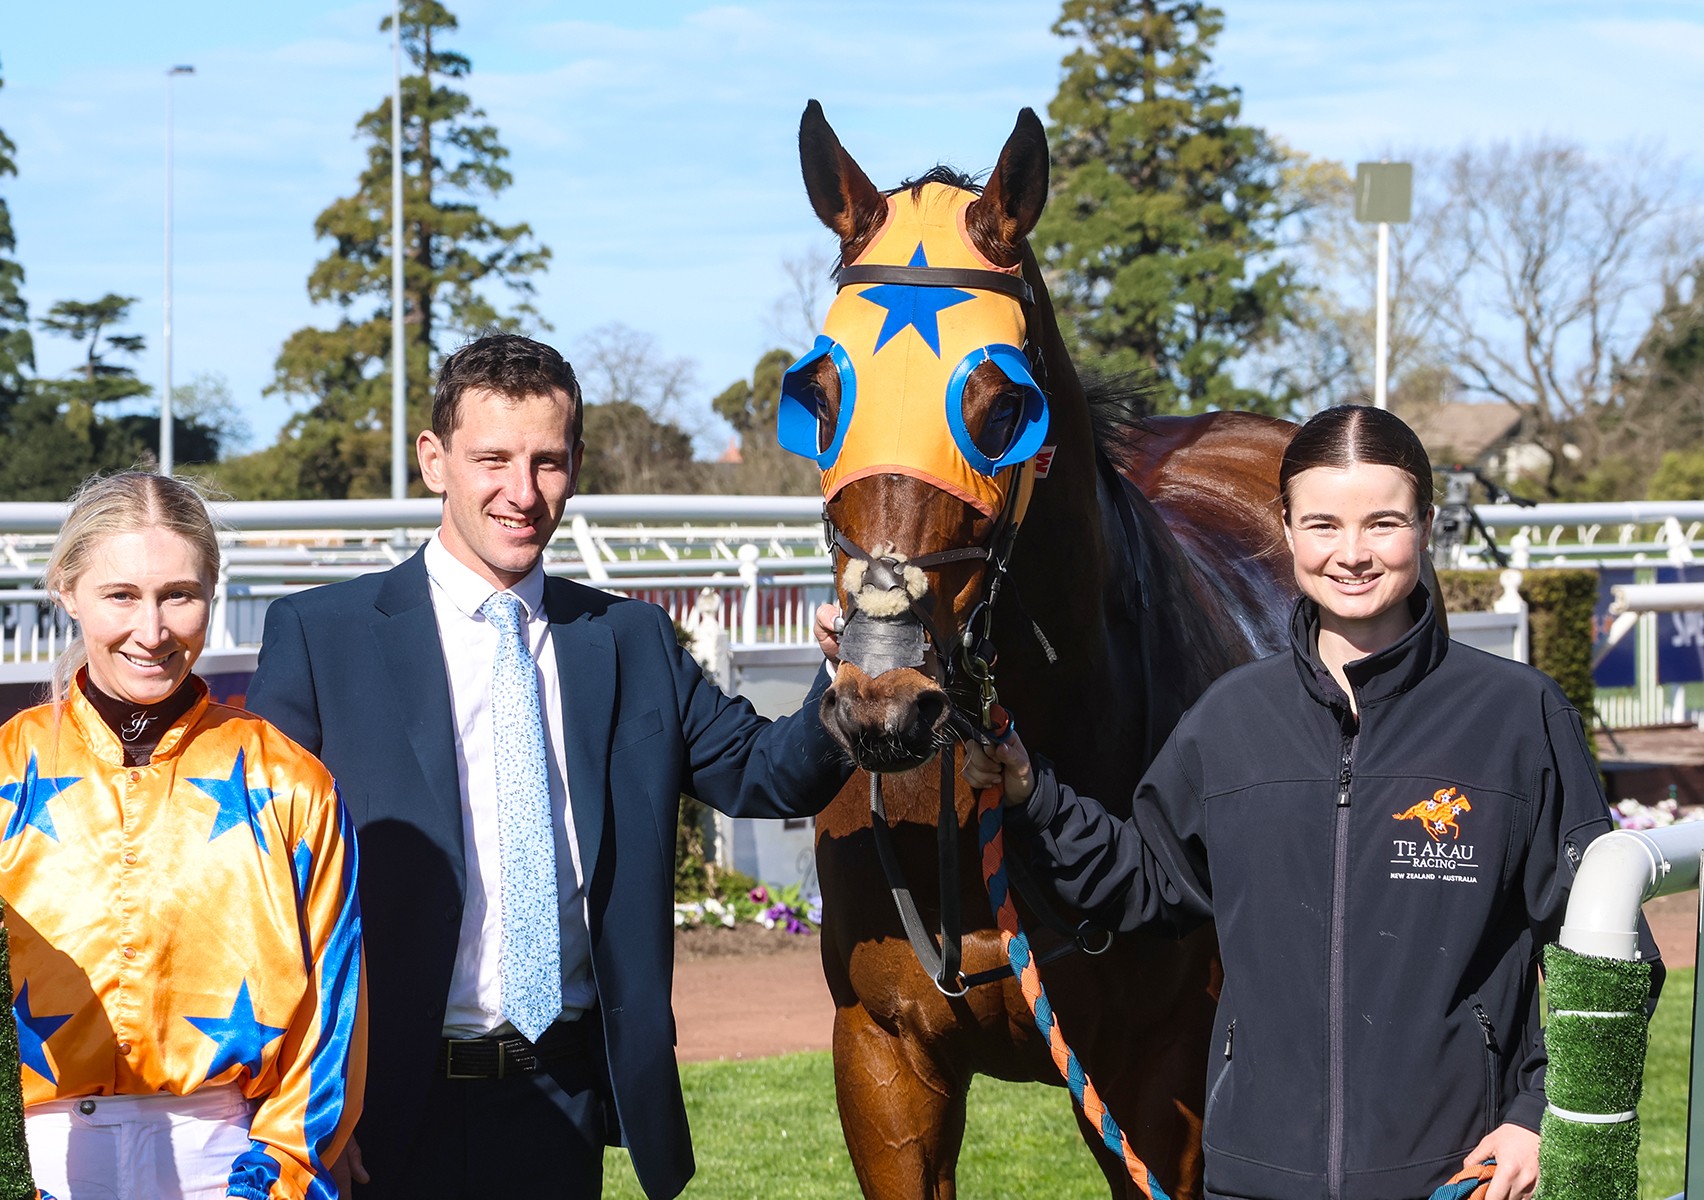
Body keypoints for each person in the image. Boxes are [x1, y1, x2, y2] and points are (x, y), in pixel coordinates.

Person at [964, 404, 1661, 1200]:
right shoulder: (1230, 719)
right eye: (1324, 524)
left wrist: (1538, 1114)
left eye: (1383, 523)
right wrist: (1032, 794)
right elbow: (1149, 883)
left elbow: (1607, 953)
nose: (1352, 554)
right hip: (1252, 1176)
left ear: (1427, 527)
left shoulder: (1518, 718)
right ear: (1288, 529)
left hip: (1458, 1176)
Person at [245, 332, 851, 1200]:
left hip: (561, 1104)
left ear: (576, 465)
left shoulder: (631, 640)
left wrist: (847, 679)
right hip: (376, 1114)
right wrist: (306, 1110)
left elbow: (768, 773)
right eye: (492, 459)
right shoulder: (320, 637)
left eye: (548, 462)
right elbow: (265, 893)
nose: (523, 493)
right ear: (434, 460)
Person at [0, 471, 364, 1200]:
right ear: (67, 591)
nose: (152, 633)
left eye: (179, 595)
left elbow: (330, 1025)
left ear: (213, 593)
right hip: (35, 1169)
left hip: (228, 1169)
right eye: (121, 595)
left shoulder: (293, 784)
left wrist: (275, 1183)